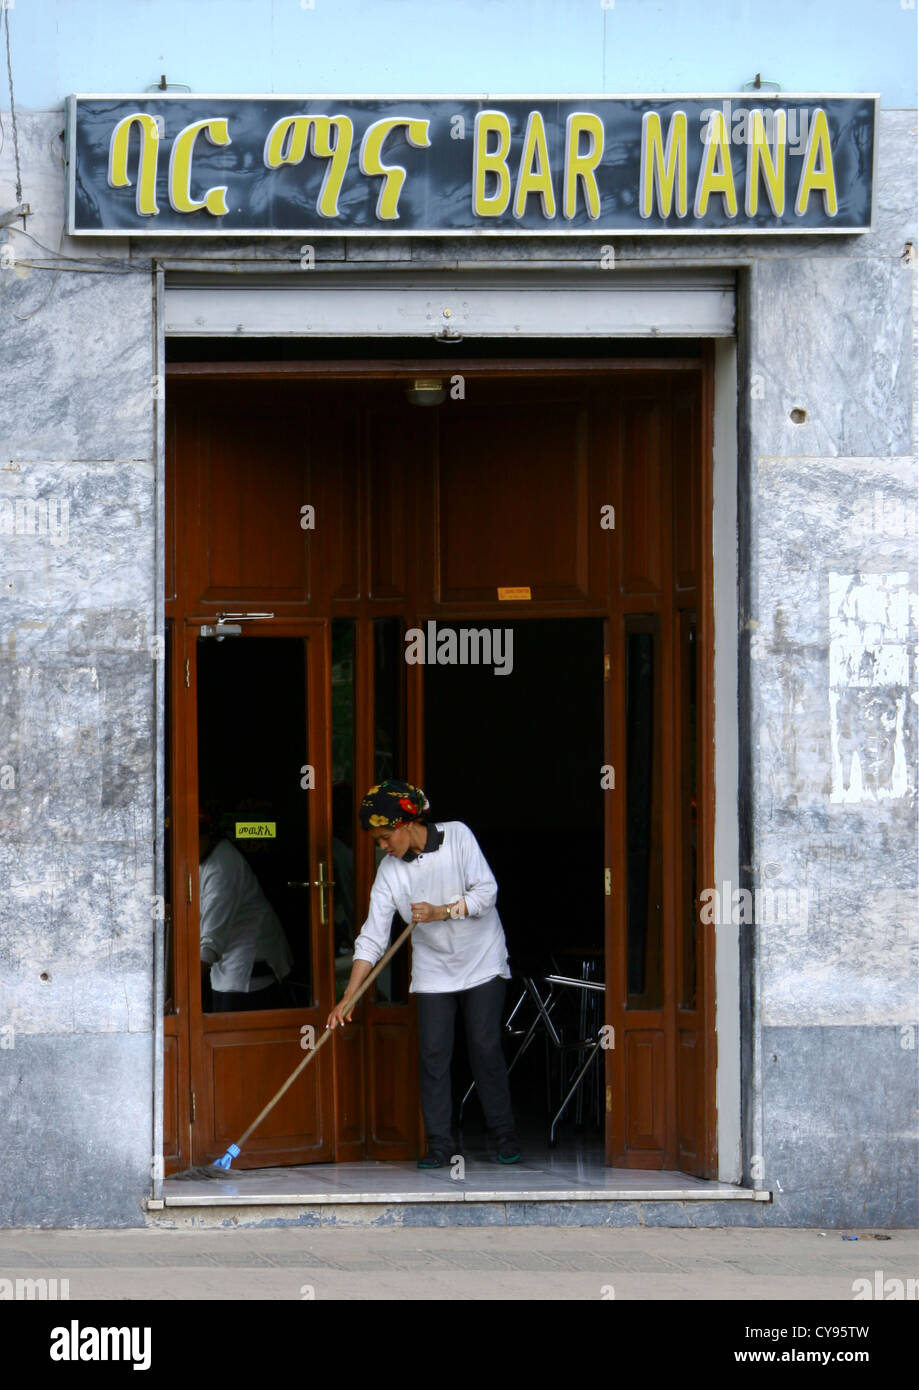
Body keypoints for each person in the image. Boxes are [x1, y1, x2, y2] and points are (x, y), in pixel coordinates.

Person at [326, 780, 520, 1167]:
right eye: (377, 841)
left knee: (484, 1047)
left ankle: (505, 1136)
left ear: (404, 823)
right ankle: (440, 1146)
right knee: (433, 1053)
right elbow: (372, 938)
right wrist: (349, 995)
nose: (383, 847)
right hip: (434, 970)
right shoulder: (390, 872)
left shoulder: (458, 836)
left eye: (384, 838)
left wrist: (441, 911)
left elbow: (487, 892)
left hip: (482, 960)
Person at [198, 812, 294, 1011]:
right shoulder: (201, 858)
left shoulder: (221, 868)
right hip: (227, 966)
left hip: (248, 963)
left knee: (233, 1037)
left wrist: (181, 997)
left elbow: (210, 944)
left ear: (205, 836)